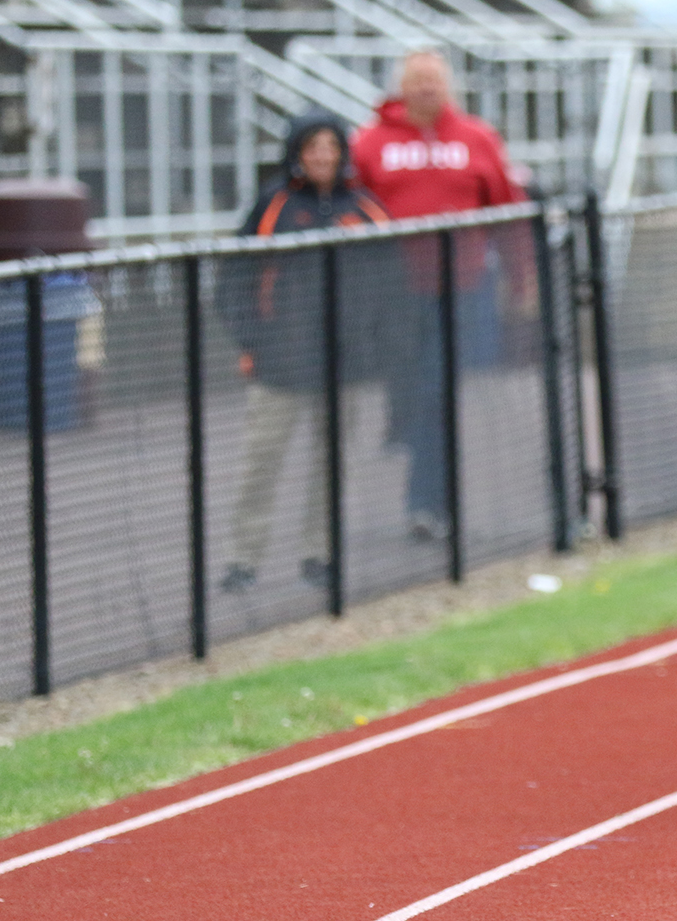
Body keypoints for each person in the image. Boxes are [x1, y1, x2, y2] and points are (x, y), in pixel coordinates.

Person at [350, 51, 526, 541]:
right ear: (402, 87)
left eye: (434, 81)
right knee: (410, 388)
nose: (427, 89)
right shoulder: (370, 142)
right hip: (393, 294)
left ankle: (427, 501)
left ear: (448, 87)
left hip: (461, 289)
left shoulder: (476, 138)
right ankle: (403, 435)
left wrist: (522, 279)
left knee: (436, 392)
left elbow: (510, 211)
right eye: (418, 81)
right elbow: (347, 208)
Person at [221, 111, 389, 595]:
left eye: (331, 147)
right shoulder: (271, 206)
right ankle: (243, 558)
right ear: (298, 152)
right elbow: (236, 278)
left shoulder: (366, 210)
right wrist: (252, 341)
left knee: (333, 460)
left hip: (346, 364)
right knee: (262, 460)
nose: (323, 156)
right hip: (280, 364)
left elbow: (388, 283)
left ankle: (320, 552)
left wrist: (374, 342)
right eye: (313, 147)